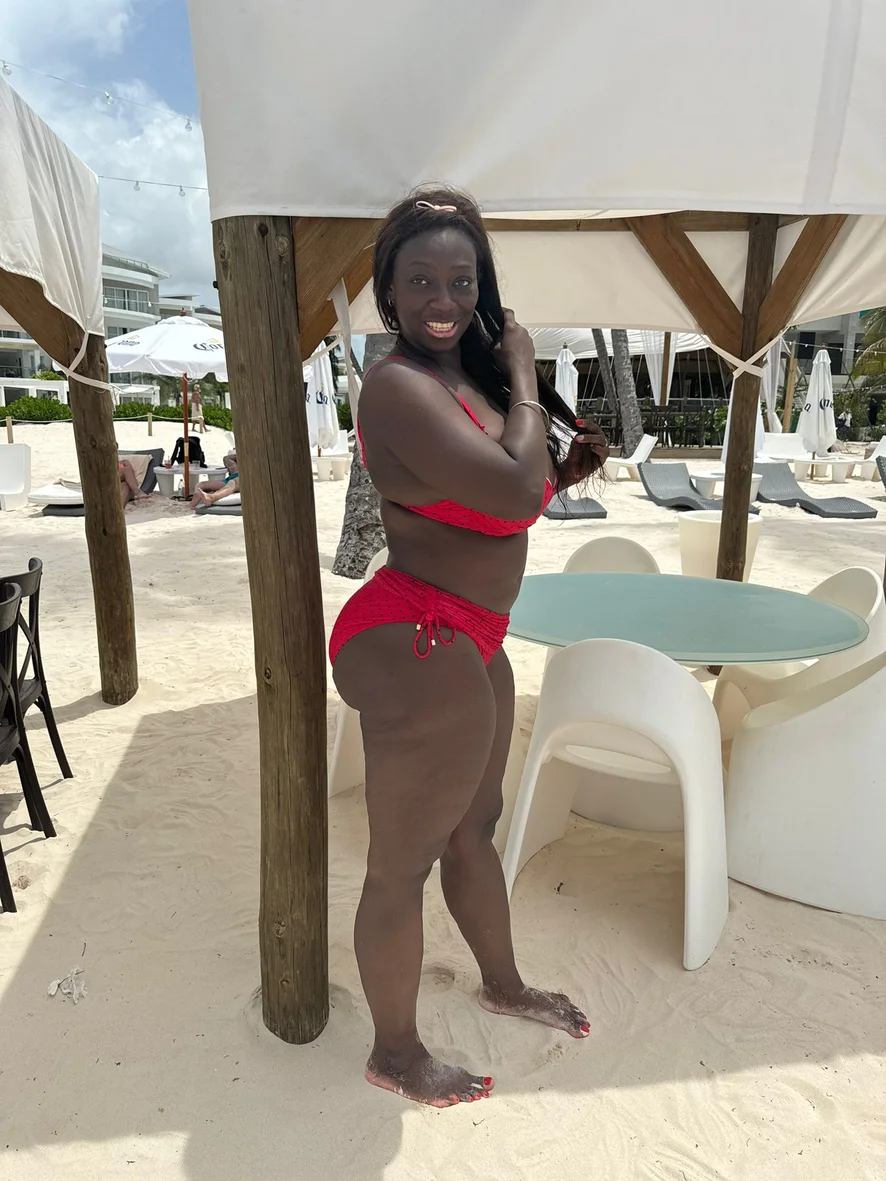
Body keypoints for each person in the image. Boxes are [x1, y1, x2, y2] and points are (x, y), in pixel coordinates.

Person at [329, 188, 607, 1109]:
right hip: (412, 629)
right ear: (389, 292)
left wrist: (546, 441)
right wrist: (525, 370)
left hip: (470, 631)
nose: (442, 299)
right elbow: (513, 487)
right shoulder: (398, 385)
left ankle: (504, 984)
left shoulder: (468, 382)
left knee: (471, 826)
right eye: (420, 281)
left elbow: (521, 478)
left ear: (481, 284)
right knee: (401, 860)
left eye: (461, 279)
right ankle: (395, 1051)